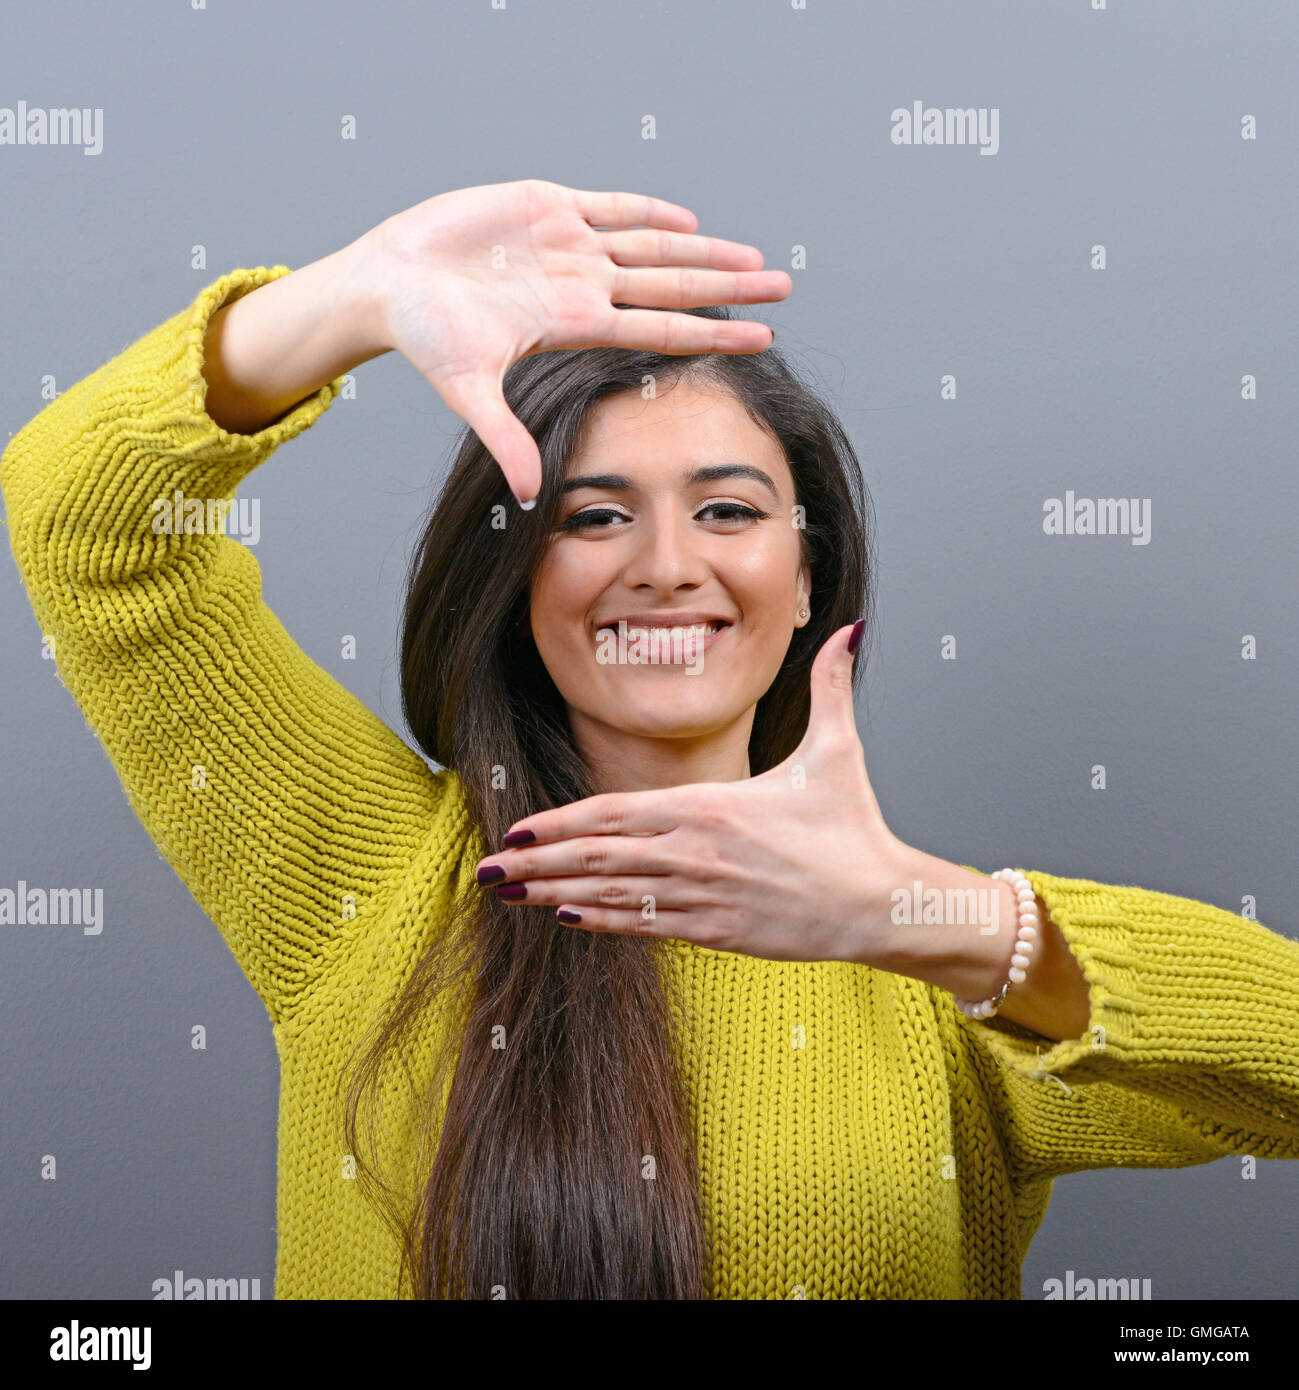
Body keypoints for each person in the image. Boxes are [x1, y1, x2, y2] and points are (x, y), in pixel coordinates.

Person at [4, 178, 1297, 1301]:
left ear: (808, 579)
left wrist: (937, 921)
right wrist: (352, 300)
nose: (667, 566)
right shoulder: (361, 873)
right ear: (513, 577)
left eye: (728, 510)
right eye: (594, 516)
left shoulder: (943, 969)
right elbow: (86, 524)